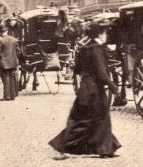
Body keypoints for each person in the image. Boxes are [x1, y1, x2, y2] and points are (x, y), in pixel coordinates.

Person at [49, 21, 121, 159]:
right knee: (90, 120)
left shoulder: (84, 48)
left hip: (85, 88)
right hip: (95, 90)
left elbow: (77, 69)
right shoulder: (96, 50)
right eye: (104, 32)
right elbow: (101, 73)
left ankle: (106, 149)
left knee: (93, 119)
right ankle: (62, 147)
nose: (106, 35)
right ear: (99, 33)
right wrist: (113, 87)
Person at [0, 25, 21, 100]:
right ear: (7, 31)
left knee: (6, 80)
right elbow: (18, 51)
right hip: (13, 62)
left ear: (1, 33)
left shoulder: (1, 41)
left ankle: (7, 96)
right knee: (12, 78)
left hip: (4, 63)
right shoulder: (14, 40)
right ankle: (12, 96)